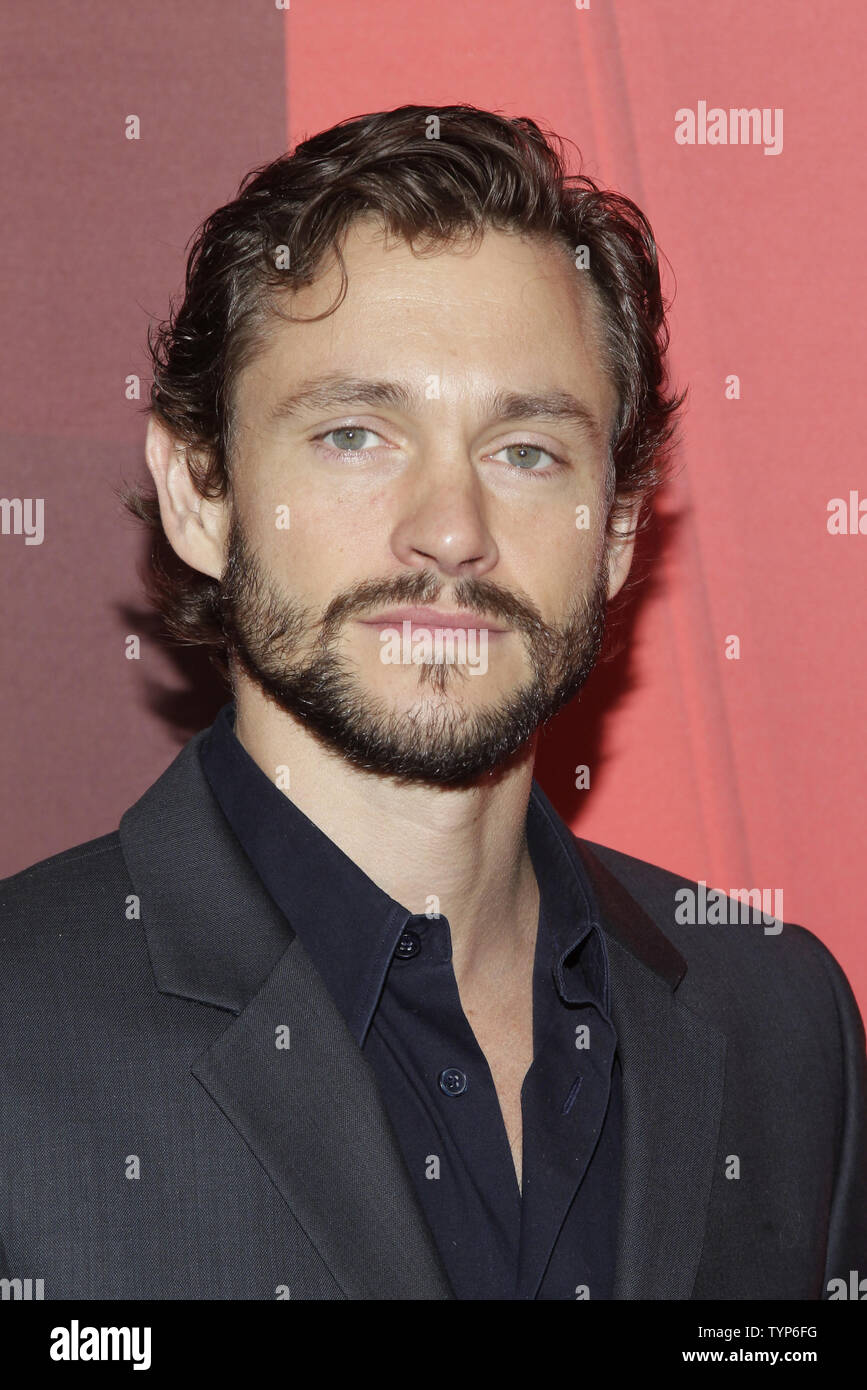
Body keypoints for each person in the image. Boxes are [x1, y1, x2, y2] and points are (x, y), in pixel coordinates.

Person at [1, 104, 864, 1301]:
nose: (452, 531)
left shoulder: (784, 1022)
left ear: (613, 533)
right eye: (357, 434)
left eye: (526, 451)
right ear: (201, 494)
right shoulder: (17, 1033)